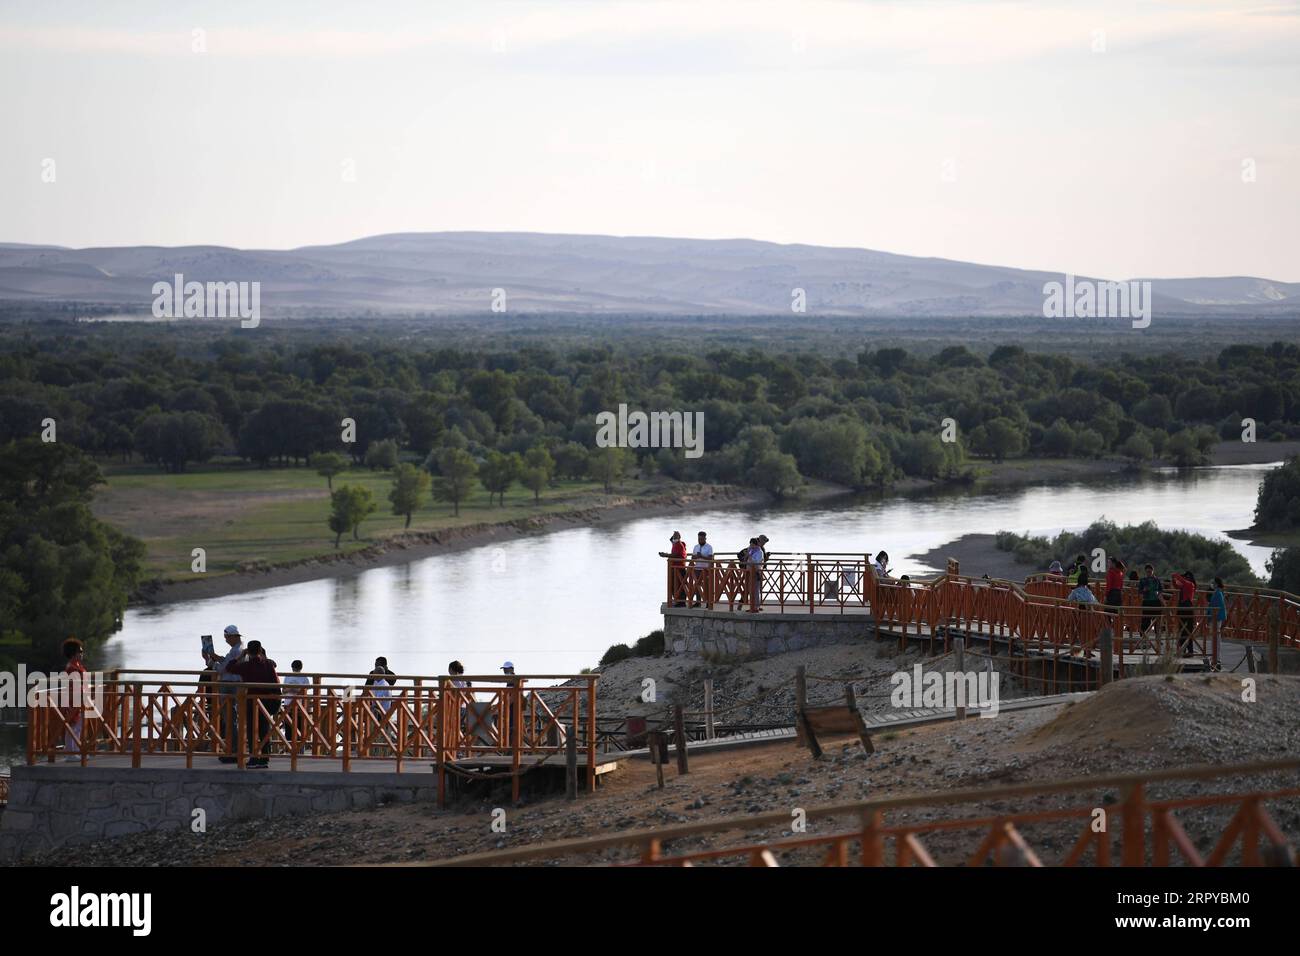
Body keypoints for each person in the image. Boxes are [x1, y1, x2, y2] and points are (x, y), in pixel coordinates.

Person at [224, 640, 279, 767]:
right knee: (264, 729)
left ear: (248, 651)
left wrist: (240, 656)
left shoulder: (246, 666)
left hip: (251, 701)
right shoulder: (269, 664)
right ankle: (265, 758)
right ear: (260, 650)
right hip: (266, 701)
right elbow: (275, 683)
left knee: (251, 730)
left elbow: (229, 668)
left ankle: (254, 758)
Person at [205, 625, 244, 764]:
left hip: (230, 687)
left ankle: (233, 751)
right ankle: (234, 750)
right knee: (232, 719)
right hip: (236, 687)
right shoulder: (238, 650)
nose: (226, 640)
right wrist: (216, 657)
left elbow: (222, 669)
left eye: (227, 637)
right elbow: (227, 663)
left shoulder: (235, 651)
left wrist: (209, 661)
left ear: (233, 636)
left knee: (230, 720)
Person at [60, 638, 87, 760]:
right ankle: (69, 753)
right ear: (73, 653)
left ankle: (74, 751)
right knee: (72, 725)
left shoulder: (77, 665)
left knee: (78, 726)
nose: (81, 654)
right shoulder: (71, 667)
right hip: (72, 699)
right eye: (79, 651)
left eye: (81, 651)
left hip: (78, 699)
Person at [281, 660, 310, 754]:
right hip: (290, 705)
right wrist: (293, 689)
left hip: (298, 706)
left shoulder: (302, 678)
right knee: (292, 727)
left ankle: (297, 749)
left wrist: (293, 689)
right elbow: (284, 690)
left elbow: (304, 691)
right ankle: (292, 748)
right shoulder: (302, 678)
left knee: (297, 727)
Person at [1171, 570, 1197, 654]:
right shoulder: (1184, 585)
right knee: (1181, 630)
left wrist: (1175, 575)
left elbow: (1182, 581)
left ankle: (1190, 650)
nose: (1184, 578)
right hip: (1182, 608)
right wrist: (1173, 579)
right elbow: (1175, 585)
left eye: (1186, 577)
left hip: (1187, 609)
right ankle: (1182, 649)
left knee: (1188, 631)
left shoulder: (1190, 584)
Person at [660, 531, 689, 607]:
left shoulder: (679, 545)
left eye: (675, 536)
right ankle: (677, 600)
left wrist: (666, 555)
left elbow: (676, 555)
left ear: (679, 537)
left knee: (680, 585)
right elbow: (671, 541)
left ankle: (681, 602)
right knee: (673, 585)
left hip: (680, 568)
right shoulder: (675, 544)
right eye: (673, 536)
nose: (674, 537)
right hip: (675, 568)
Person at [1138, 564, 1163, 637]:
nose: (1149, 573)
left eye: (1150, 571)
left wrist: (1163, 601)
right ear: (1145, 572)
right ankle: (1143, 636)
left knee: (1158, 620)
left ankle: (1158, 636)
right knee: (1145, 620)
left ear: (1153, 571)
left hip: (1156, 601)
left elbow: (1160, 591)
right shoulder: (1143, 580)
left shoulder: (1157, 580)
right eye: (1147, 572)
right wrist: (1144, 590)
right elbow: (1140, 592)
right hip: (1147, 601)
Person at [690, 531, 714, 607]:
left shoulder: (709, 547)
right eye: (699, 539)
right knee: (697, 585)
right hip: (697, 568)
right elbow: (692, 557)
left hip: (706, 569)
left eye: (701, 539)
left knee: (707, 586)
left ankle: (708, 602)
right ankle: (698, 602)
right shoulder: (696, 546)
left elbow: (711, 558)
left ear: (705, 538)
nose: (700, 540)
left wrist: (702, 556)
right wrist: (696, 557)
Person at [1207, 577, 1227, 667]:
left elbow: (1215, 607)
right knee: (1216, 639)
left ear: (1216, 584)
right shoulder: (1218, 593)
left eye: (1213, 583)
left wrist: (1209, 617)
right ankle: (1216, 658)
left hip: (1215, 619)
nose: (1212, 584)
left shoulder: (1218, 594)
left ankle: (1216, 658)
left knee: (1215, 639)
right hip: (1216, 618)